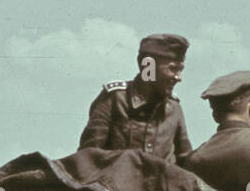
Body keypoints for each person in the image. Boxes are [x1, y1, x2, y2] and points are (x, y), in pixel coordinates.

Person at [78, 33, 193, 165]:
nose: (178, 77)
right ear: (147, 67)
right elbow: (88, 157)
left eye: (180, 70)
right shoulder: (114, 99)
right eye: (172, 68)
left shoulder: (174, 108)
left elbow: (186, 163)